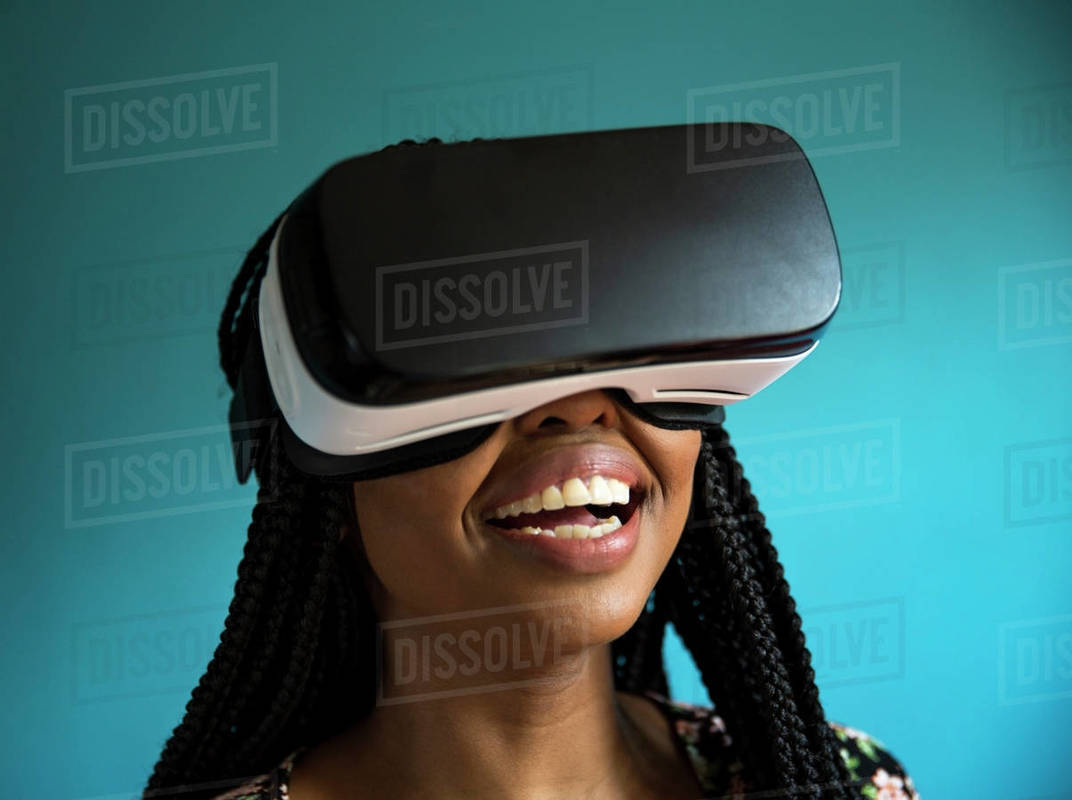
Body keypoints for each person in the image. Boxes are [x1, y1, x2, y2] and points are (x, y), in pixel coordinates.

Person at [142, 143, 921, 800]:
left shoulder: (841, 784)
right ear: (323, 482)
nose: (580, 406)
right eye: (468, 368)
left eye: (639, 350)